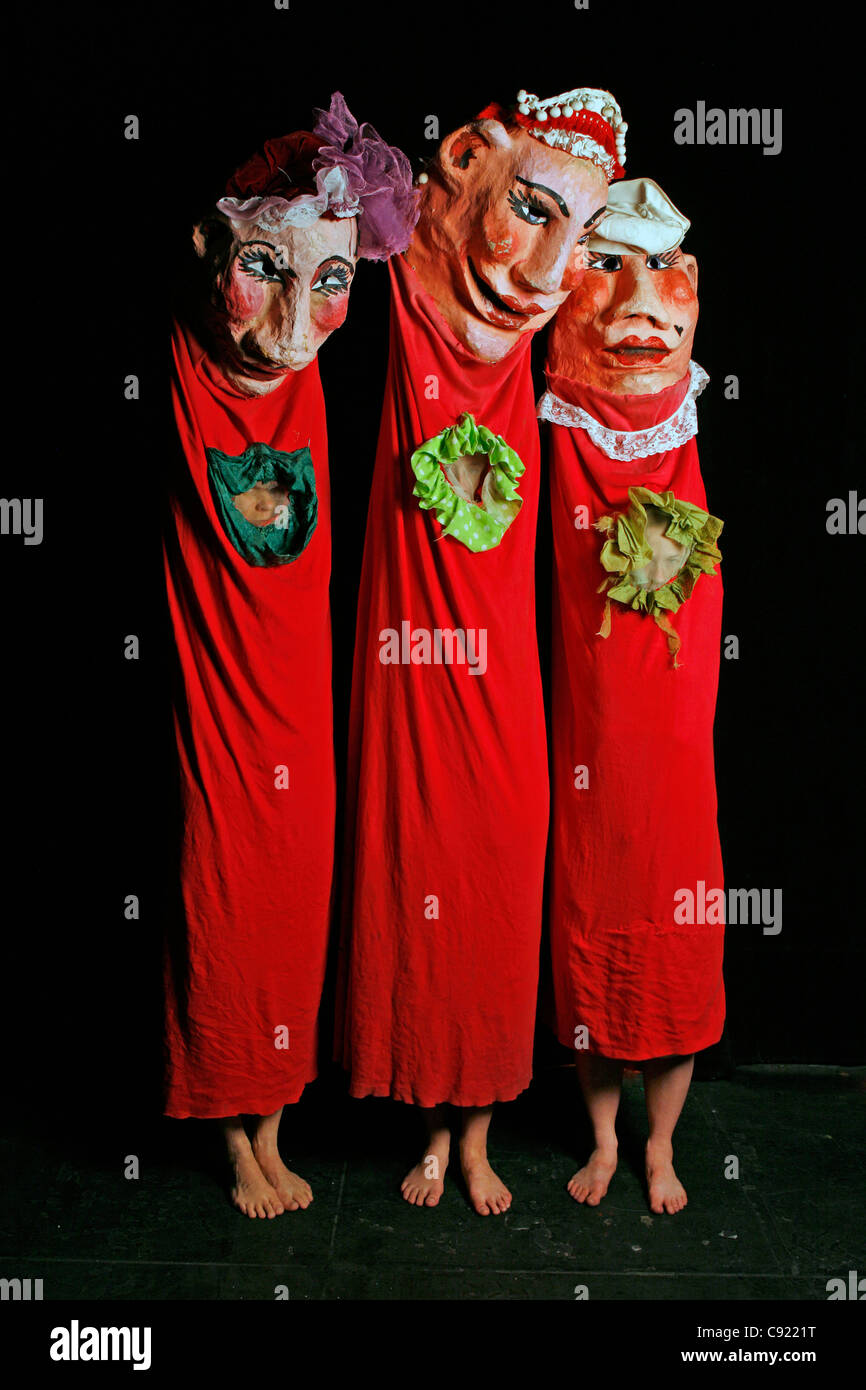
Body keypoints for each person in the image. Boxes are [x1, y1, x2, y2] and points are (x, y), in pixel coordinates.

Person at [337, 88, 627, 1215]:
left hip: (501, 662)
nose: (553, 264)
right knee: (421, 864)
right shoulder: (414, 287)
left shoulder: (541, 343)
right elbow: (343, 195)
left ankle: (479, 1130)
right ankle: (425, 1123)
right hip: (406, 649)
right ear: (468, 166)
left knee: (496, 879)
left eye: (582, 241)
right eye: (533, 212)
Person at [162, 94, 417, 1218]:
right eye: (267, 271)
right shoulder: (189, 363)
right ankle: (228, 1131)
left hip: (299, 707)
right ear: (215, 254)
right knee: (220, 888)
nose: (295, 316)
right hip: (219, 702)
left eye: (328, 282)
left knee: (291, 891)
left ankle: (271, 1119)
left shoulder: (307, 374)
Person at [538, 178, 724, 1215]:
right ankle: (604, 1139)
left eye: (662, 274)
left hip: (672, 721)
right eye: (606, 266)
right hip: (592, 734)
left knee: (673, 917)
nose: (641, 301)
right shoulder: (560, 418)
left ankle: (659, 1147)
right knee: (595, 909)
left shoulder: (678, 412)